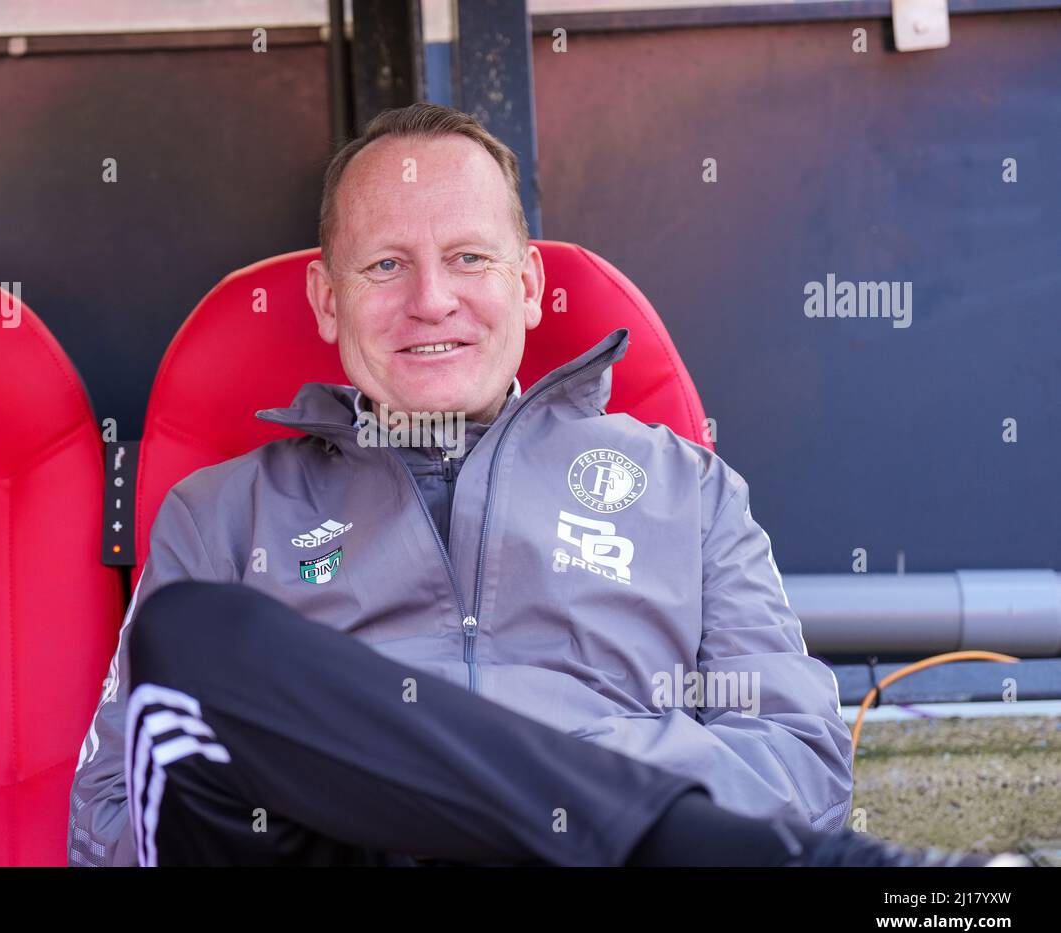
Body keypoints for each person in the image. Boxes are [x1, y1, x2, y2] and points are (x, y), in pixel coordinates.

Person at [69, 103, 1024, 867]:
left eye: (469, 258)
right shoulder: (225, 512)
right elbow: (115, 819)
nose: (431, 300)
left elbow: (803, 765)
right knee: (192, 640)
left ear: (528, 286)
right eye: (386, 265)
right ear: (329, 300)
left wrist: (533, 803)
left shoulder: (684, 492)